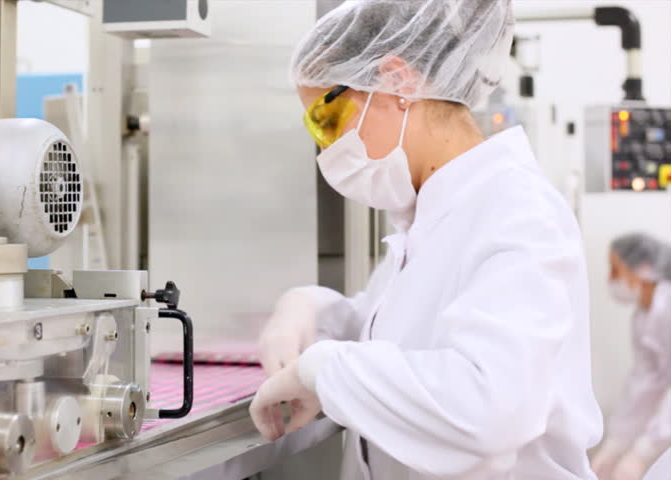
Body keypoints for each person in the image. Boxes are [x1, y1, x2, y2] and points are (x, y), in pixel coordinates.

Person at [248, 0, 604, 479]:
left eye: (326, 119)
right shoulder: (433, 217)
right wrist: (314, 310)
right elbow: (399, 341)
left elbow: (488, 408)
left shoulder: (515, 211)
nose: (326, 146)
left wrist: (322, 371)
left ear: (398, 80)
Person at [591, 233, 671, 480]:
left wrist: (644, 450)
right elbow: (644, 383)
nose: (611, 279)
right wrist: (616, 443)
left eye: (615, 269)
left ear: (645, 268)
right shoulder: (643, 316)